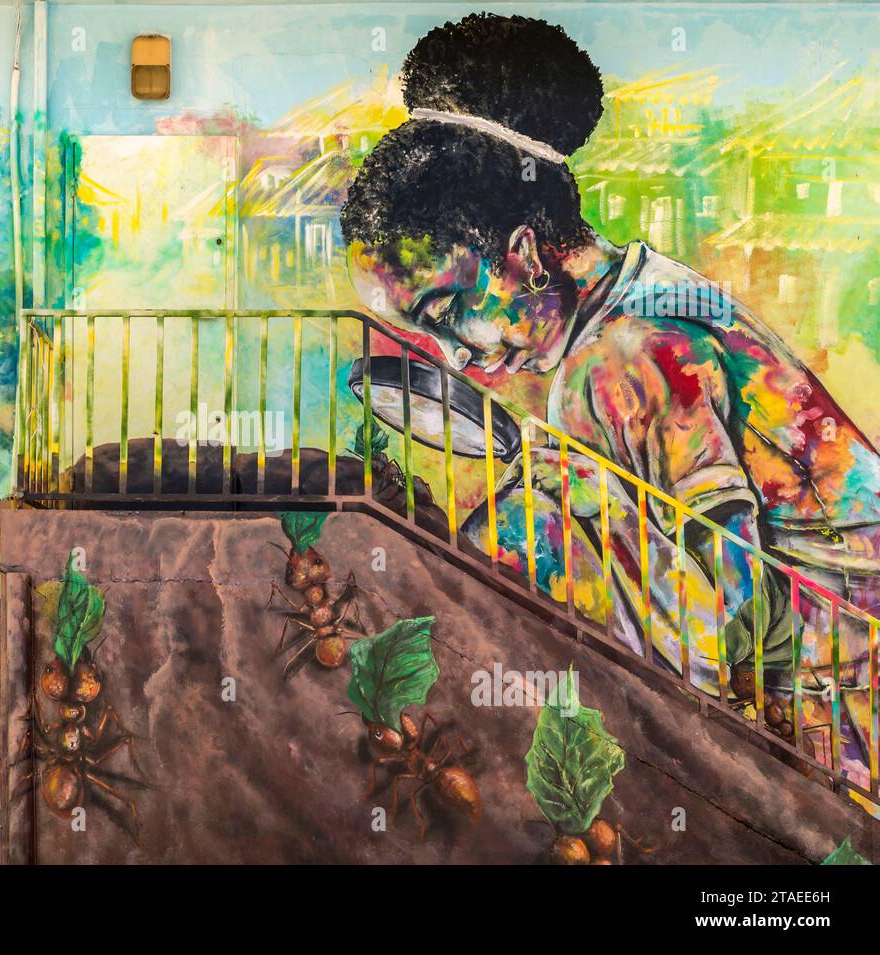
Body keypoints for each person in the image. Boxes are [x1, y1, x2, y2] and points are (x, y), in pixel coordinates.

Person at [340, 14, 878, 781]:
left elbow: (738, 611)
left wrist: (593, 508)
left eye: (447, 312)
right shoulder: (631, 305)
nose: (454, 352)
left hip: (846, 709)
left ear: (522, 253)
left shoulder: (626, 355)